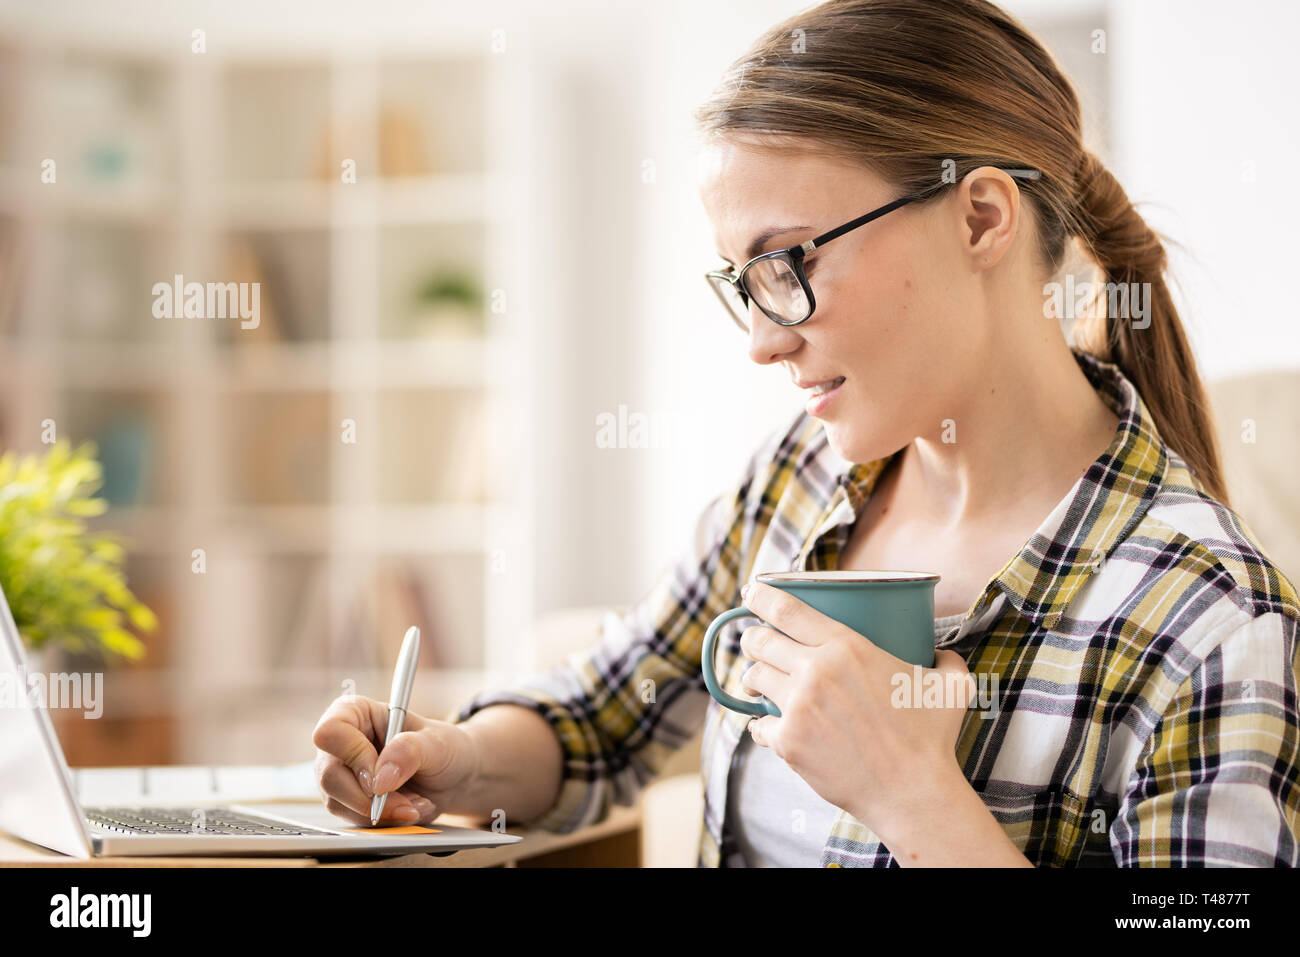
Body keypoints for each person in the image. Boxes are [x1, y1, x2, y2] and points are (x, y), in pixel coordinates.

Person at [312, 0, 1299, 866]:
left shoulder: (1211, 624)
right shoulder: (799, 479)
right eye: (741, 282)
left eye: (787, 262)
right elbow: (604, 720)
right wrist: (449, 759)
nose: (761, 341)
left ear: (981, 217)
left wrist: (917, 803)